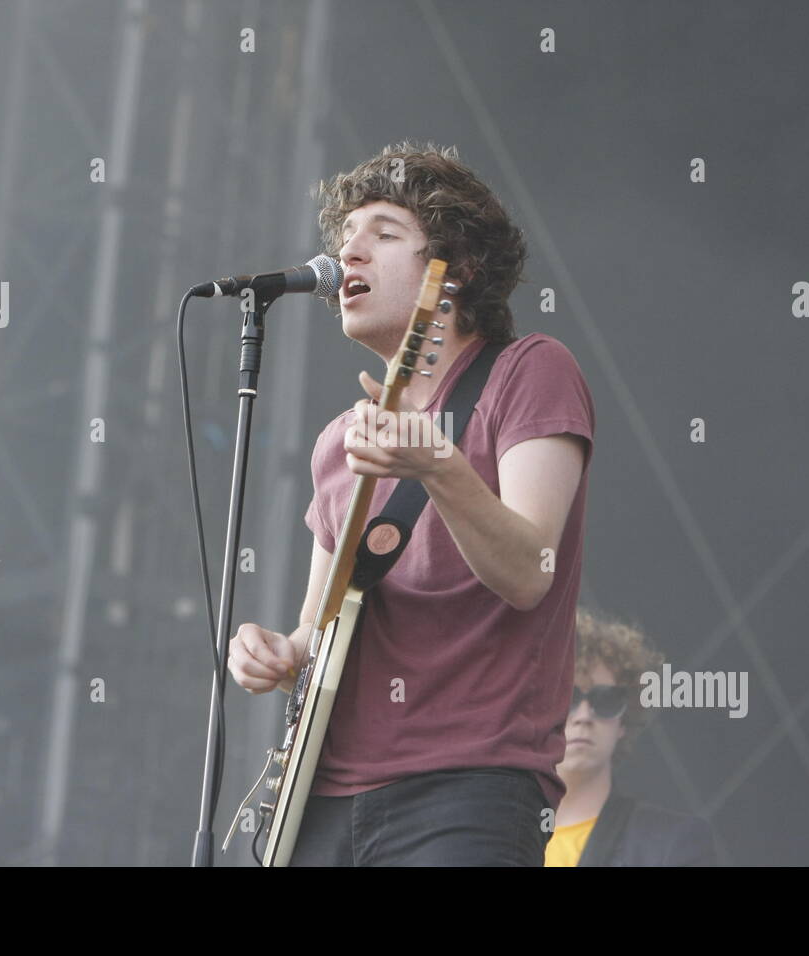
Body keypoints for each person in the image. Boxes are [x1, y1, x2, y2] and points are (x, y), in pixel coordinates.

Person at [227, 142, 595, 866]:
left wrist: (437, 464)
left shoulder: (530, 371)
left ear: (453, 271)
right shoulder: (340, 442)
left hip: (466, 788)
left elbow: (529, 571)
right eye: (345, 238)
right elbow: (320, 624)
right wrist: (277, 651)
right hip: (320, 799)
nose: (349, 254)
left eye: (383, 234)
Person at [547, 607, 719, 866]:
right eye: (569, 698)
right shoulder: (493, 834)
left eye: (606, 700)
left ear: (623, 722)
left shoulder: (672, 843)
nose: (584, 715)